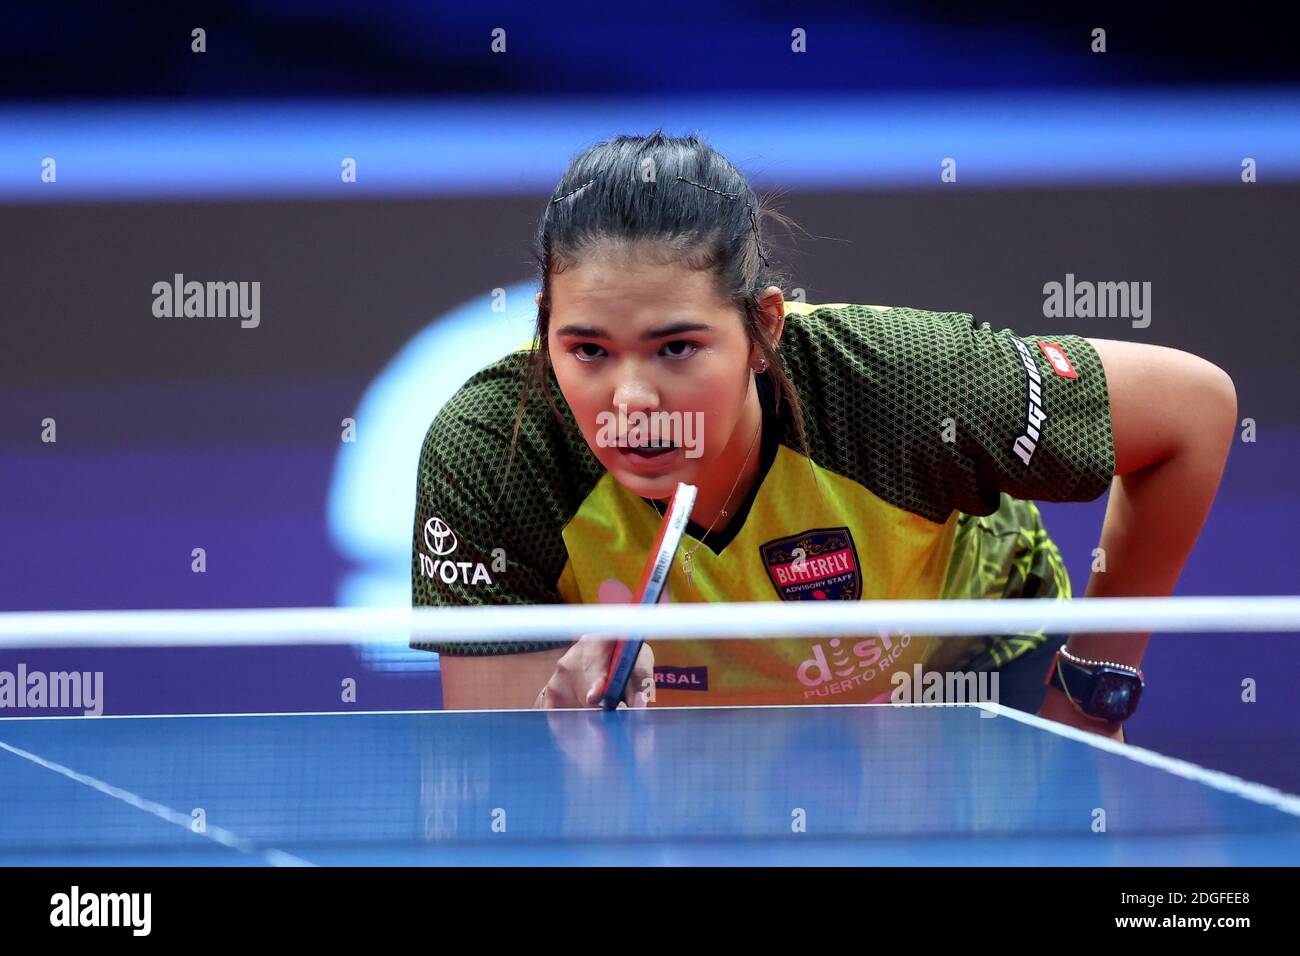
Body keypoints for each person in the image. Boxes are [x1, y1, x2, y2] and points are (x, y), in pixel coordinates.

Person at [411, 131, 1236, 740]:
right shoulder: (492, 452)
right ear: (544, 329)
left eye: (677, 347)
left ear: (763, 330)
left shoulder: (901, 384)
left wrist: (1091, 687)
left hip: (969, 676)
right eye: (587, 348)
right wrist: (578, 747)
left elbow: (1194, 413)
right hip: (711, 741)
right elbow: (506, 810)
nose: (631, 398)